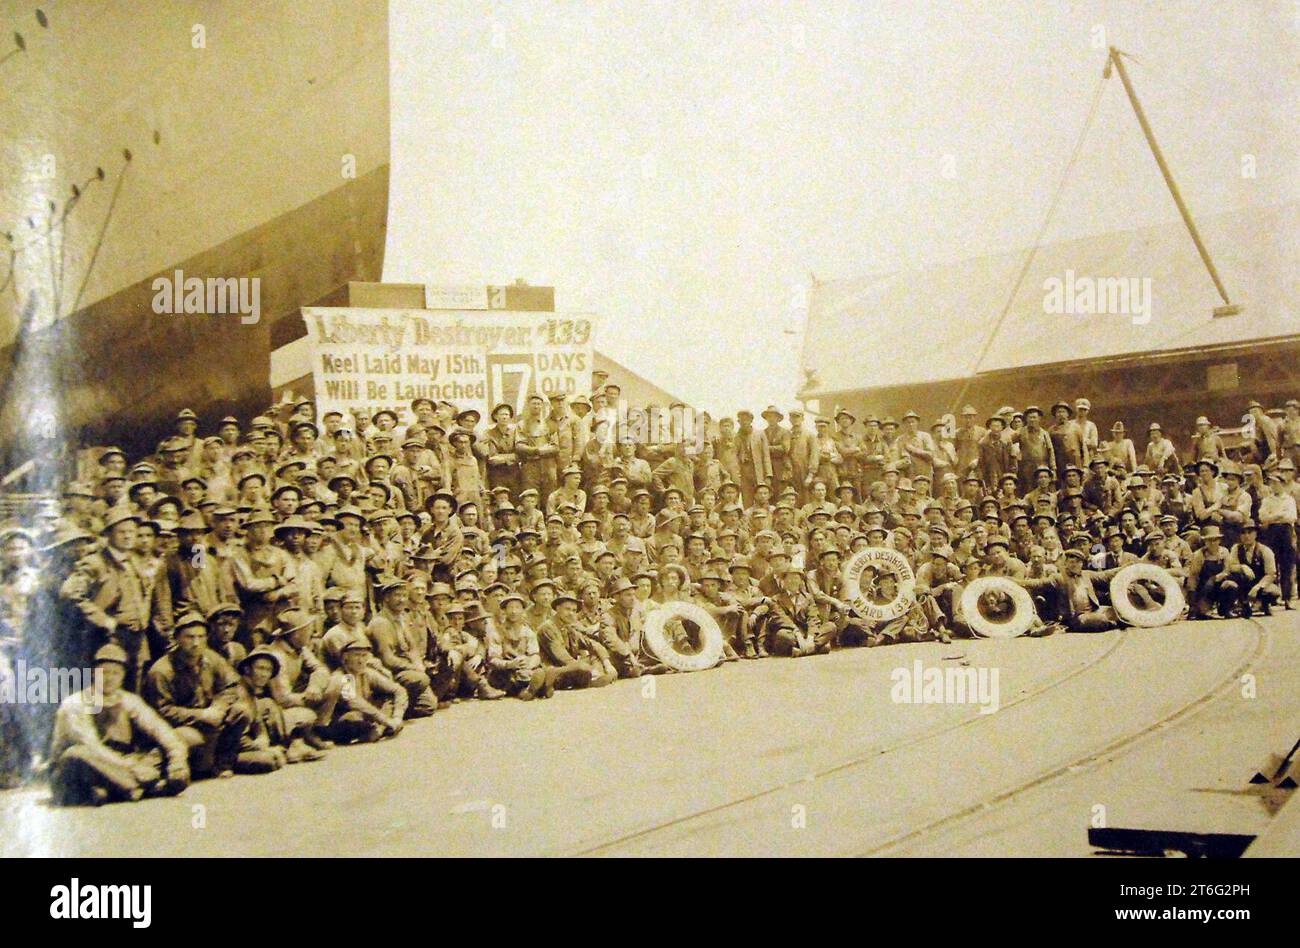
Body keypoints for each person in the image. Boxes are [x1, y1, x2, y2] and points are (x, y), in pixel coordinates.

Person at [49, 644, 191, 805]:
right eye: (104, 672)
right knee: (75, 754)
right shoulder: (76, 703)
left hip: (119, 764)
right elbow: (92, 746)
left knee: (172, 741)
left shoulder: (128, 700)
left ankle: (117, 789)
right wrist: (131, 767)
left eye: (115, 673)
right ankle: (149, 786)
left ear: (123, 675)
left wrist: (177, 760)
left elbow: (159, 729)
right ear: (94, 674)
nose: (109, 678)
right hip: (79, 770)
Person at [142, 612, 252, 780]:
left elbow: (231, 685)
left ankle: (222, 764)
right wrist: (201, 715)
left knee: (241, 711)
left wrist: (219, 706)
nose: (196, 643)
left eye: (201, 637)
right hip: (185, 727)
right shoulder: (162, 670)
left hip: (212, 723)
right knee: (187, 738)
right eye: (189, 637)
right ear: (177, 638)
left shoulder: (211, 658)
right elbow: (162, 711)